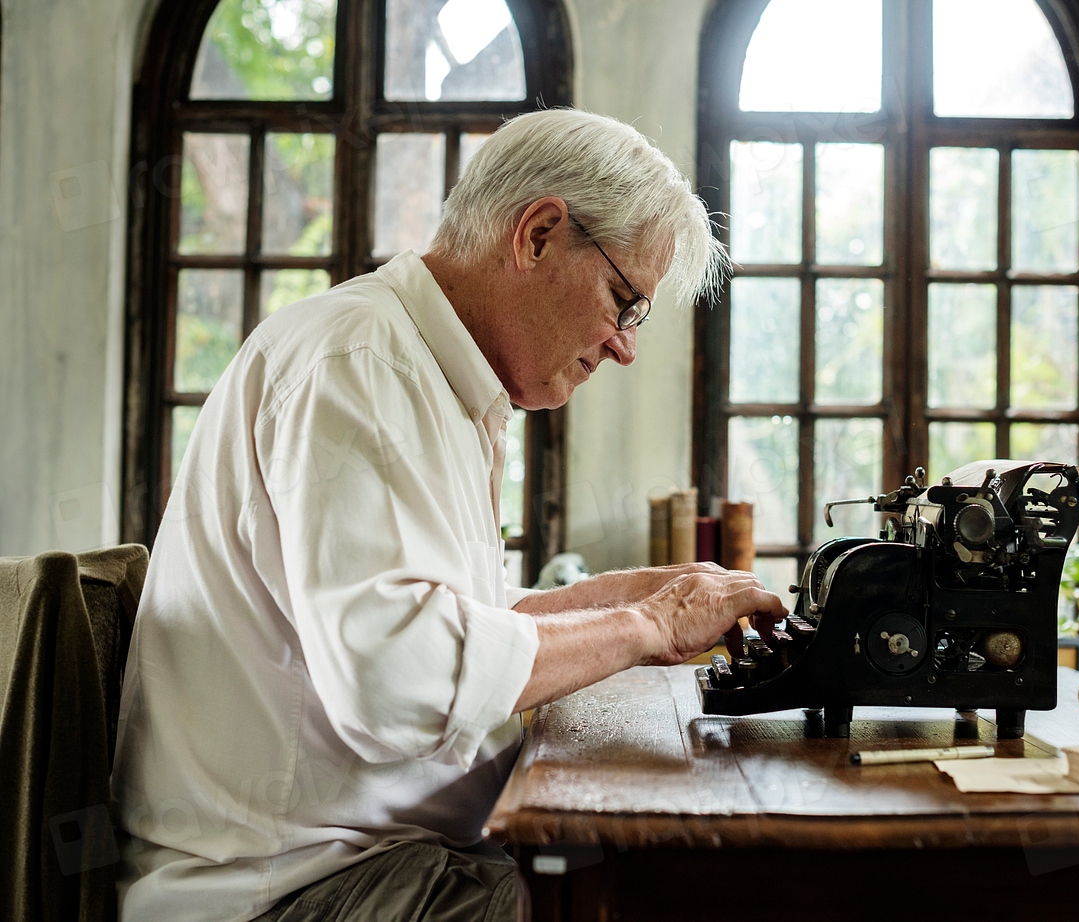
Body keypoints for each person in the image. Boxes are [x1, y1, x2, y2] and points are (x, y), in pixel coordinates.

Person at [111, 108, 786, 922]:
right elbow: (397, 676)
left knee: (669, 874)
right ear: (538, 235)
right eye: (623, 301)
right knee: (677, 898)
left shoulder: (430, 374)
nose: (624, 346)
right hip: (287, 891)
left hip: (366, 861)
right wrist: (648, 624)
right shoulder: (358, 363)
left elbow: (452, 625)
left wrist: (635, 599)